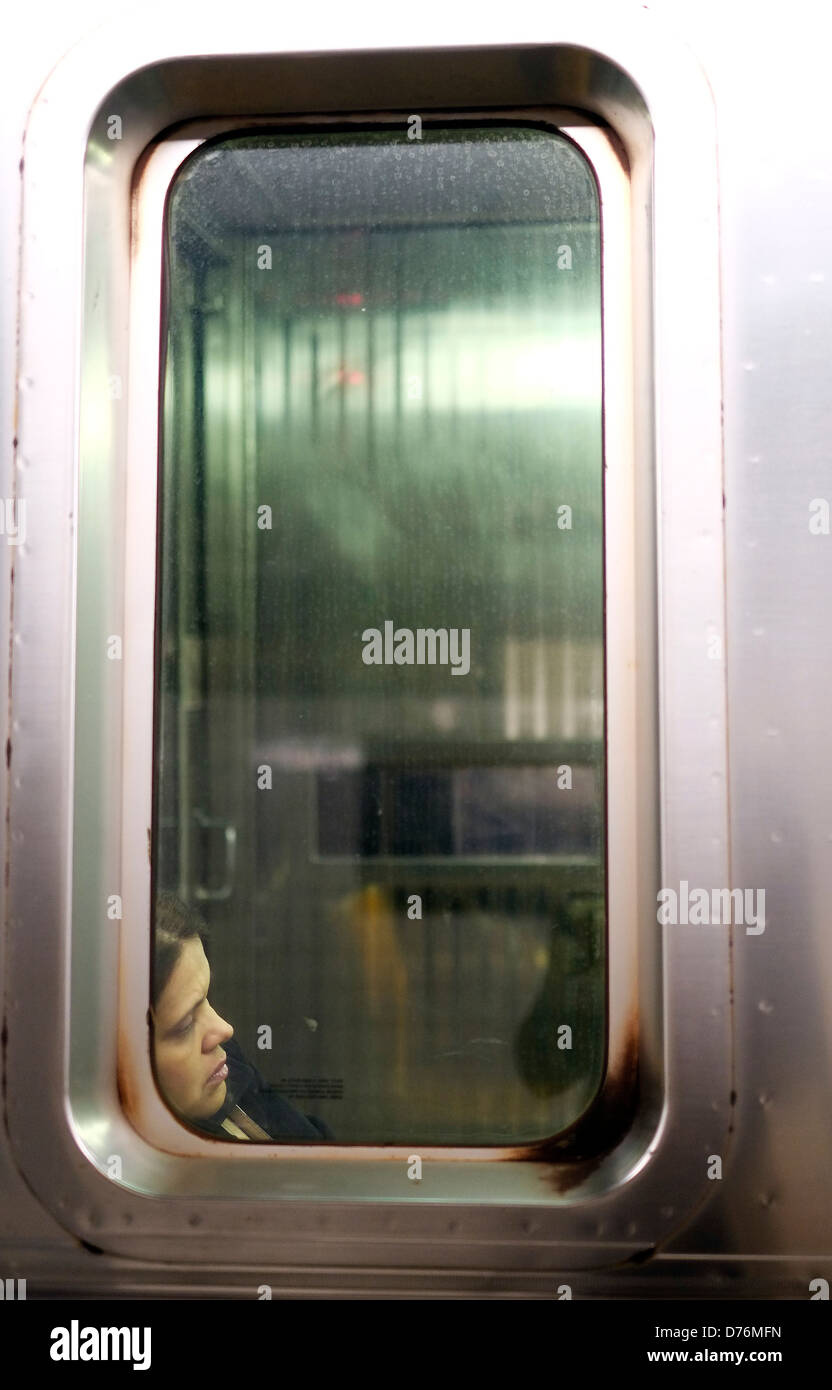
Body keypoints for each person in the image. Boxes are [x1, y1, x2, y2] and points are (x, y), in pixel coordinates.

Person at [151, 892, 332, 1141]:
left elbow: (311, 1143)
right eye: (185, 1025)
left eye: (206, 1000)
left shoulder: (227, 1066)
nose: (224, 1030)